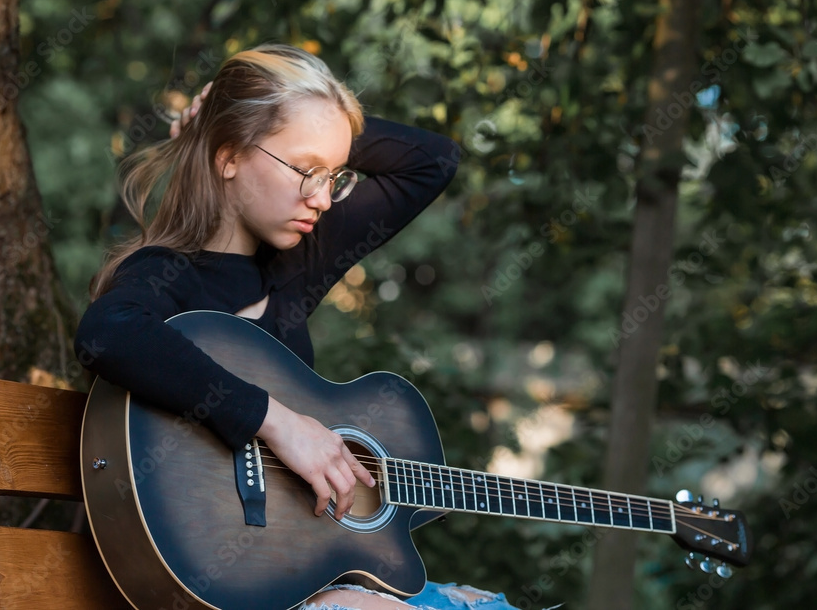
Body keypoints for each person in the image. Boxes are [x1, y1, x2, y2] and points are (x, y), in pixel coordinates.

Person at [74, 43, 519, 610]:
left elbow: (432, 159)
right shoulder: (166, 275)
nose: (323, 199)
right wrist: (278, 423)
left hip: (295, 581)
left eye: (335, 176)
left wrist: (312, 122)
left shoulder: (295, 263)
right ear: (229, 157)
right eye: (307, 170)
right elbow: (107, 333)